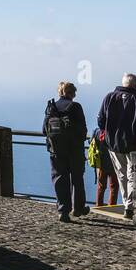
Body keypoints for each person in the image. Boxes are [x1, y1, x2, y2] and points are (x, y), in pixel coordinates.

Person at [96, 73, 136, 219]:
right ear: (135, 85)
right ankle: (130, 206)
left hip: (113, 143)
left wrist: (107, 134)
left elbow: (101, 119)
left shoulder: (109, 97)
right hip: (134, 144)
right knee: (132, 174)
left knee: (121, 175)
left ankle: (127, 204)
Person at [44, 82, 89, 222]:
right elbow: (83, 131)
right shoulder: (75, 107)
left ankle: (63, 210)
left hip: (56, 149)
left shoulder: (52, 107)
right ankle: (78, 208)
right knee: (77, 179)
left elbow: (44, 130)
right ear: (73, 93)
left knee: (59, 178)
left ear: (59, 92)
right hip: (74, 150)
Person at [89, 129, 119, 207]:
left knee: (101, 186)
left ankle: (99, 205)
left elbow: (91, 142)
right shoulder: (115, 131)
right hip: (114, 163)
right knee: (114, 187)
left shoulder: (96, 131)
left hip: (101, 163)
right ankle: (112, 205)